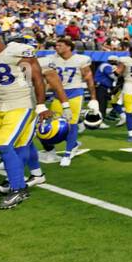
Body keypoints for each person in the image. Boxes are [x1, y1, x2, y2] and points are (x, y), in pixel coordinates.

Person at [0, 27, 55, 209]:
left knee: (4, 144)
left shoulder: (17, 50)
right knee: (19, 145)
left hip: (21, 104)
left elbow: (36, 78)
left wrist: (41, 105)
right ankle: (17, 178)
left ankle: (18, 189)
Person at [42, 37, 99, 167]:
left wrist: (93, 97)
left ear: (69, 47)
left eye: (60, 45)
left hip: (75, 93)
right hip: (58, 95)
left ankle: (67, 154)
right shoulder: (51, 59)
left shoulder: (81, 59)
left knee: (71, 123)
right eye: (56, 45)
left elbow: (89, 79)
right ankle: (70, 145)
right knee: (51, 123)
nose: (57, 47)